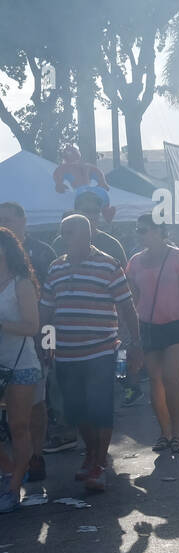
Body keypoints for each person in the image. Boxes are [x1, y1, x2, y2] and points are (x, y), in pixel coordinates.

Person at [39, 214, 142, 492]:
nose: (64, 237)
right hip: (66, 353)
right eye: (63, 232)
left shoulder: (109, 264)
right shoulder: (56, 267)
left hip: (101, 351)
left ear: (87, 235)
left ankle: (98, 464)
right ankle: (92, 453)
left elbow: (127, 308)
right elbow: (46, 310)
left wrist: (135, 344)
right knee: (76, 410)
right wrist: (45, 346)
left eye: (70, 232)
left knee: (100, 409)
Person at [126, 216, 179, 453]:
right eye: (137, 230)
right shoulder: (134, 261)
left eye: (144, 230)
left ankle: (177, 433)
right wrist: (131, 333)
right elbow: (133, 299)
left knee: (171, 377)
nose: (139, 234)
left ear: (159, 231)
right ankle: (164, 433)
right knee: (155, 381)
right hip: (148, 326)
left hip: (177, 324)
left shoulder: (178, 256)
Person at [0, 202, 57, 484]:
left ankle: (36, 456)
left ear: (23, 220)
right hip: (10, 349)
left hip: (38, 338)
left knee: (36, 405)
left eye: (7, 219)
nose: (3, 223)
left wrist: (49, 344)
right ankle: (15, 468)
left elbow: (52, 303)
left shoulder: (43, 251)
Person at [0, 227, 42, 511]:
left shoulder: (21, 283)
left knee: (18, 426)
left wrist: (2, 325)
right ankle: (11, 471)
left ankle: (13, 488)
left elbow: (32, 326)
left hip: (20, 364)